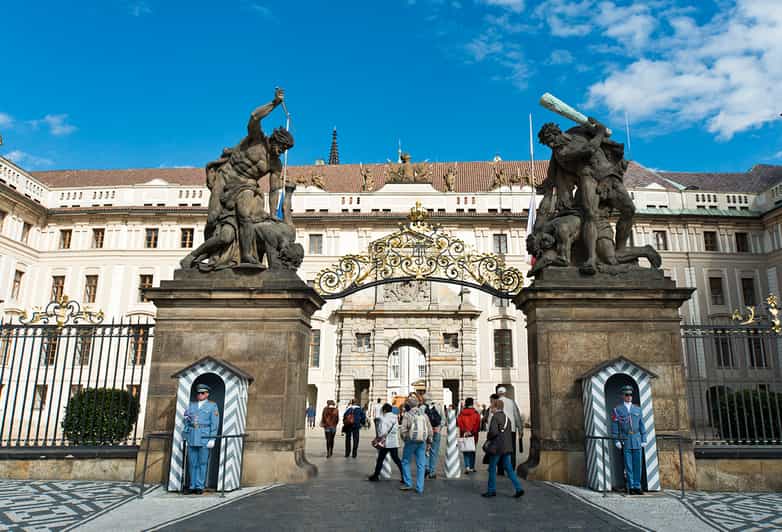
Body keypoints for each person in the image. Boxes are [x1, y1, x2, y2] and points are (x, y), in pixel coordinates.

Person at [538, 119, 634, 275]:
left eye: (551, 140)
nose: (551, 145)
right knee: (591, 214)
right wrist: (600, 132)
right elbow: (589, 149)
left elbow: (601, 140)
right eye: (548, 144)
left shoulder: (577, 131)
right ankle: (591, 258)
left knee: (629, 210)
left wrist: (596, 127)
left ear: (557, 133)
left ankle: (621, 249)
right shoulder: (561, 153)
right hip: (588, 177)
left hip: (610, 176)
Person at [483, 394, 524, 498]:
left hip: (497, 447)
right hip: (507, 447)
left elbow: (493, 432)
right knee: (509, 469)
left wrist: (488, 437)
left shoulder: (495, 418)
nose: (490, 409)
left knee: (492, 468)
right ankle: (518, 488)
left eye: (491, 407)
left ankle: (491, 490)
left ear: (496, 407)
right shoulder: (507, 418)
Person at [183, 384, 220, 495]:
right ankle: (192, 485)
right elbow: (186, 422)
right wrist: (185, 437)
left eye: (202, 393)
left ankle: (200, 486)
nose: (200, 395)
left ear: (207, 394)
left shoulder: (212, 406)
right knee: (192, 463)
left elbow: (215, 423)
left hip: (204, 436)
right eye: (198, 393)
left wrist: (212, 438)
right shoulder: (192, 405)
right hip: (192, 436)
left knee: (202, 463)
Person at [611, 385, 647, 495]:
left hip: (636, 438)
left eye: (630, 394)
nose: (629, 396)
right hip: (625, 439)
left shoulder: (637, 409)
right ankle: (630, 486)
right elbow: (615, 426)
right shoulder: (617, 410)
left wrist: (644, 438)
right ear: (623, 396)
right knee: (628, 464)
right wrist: (616, 440)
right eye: (627, 395)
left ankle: (637, 486)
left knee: (638, 464)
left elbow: (641, 425)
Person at [399, 394, 433, 494]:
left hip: (411, 441)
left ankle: (408, 483)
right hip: (422, 441)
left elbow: (403, 430)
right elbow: (430, 430)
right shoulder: (424, 415)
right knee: (421, 464)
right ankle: (420, 487)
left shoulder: (407, 415)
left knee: (405, 461)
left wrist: (405, 439)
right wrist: (429, 441)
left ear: (409, 405)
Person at [368, 403, 404, 481]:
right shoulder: (395, 417)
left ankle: (376, 475)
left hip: (386, 443)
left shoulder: (384, 418)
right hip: (394, 442)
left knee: (380, 459)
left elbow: (382, 432)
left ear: (384, 410)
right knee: (396, 459)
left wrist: (378, 434)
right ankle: (404, 476)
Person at [496, 386, 525, 475]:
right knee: (511, 449)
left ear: (498, 393)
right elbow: (516, 416)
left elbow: (492, 417)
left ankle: (500, 469)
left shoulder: (496, 403)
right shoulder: (511, 402)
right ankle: (511, 468)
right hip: (511, 429)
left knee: (500, 449)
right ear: (505, 393)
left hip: (499, 429)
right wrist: (520, 429)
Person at [457, 397, 481, 474]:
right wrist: (471, 431)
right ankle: (472, 467)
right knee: (472, 450)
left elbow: (459, 423)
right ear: (472, 403)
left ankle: (467, 466)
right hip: (473, 434)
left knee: (465, 450)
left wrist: (465, 431)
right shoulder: (476, 413)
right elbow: (477, 424)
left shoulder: (461, 413)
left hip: (464, 434)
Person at [422, 393, 443, 479]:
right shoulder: (438, 406)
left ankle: (426, 468)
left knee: (425, 451)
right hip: (436, 431)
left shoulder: (422, 408)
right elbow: (443, 419)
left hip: (426, 432)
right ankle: (432, 472)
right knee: (434, 452)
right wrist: (439, 428)